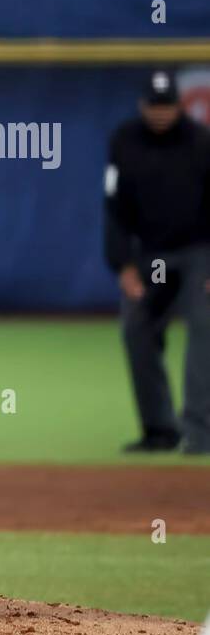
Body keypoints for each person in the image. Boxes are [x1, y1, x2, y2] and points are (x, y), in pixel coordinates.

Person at [104, 69, 210, 454]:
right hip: (153, 256)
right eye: (155, 105)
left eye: (168, 105)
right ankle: (160, 429)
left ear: (180, 105)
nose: (161, 113)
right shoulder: (124, 142)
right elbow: (115, 209)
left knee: (204, 326)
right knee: (136, 326)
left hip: (200, 252)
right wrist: (123, 265)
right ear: (142, 105)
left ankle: (200, 431)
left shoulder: (202, 142)